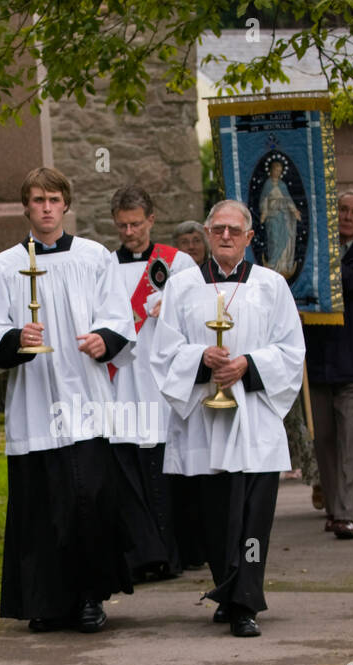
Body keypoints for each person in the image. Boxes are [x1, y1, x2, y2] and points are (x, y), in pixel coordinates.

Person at [0, 167, 135, 634]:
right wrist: (18, 337)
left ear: (66, 205)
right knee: (41, 507)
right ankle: (46, 600)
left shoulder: (94, 257)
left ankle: (88, 599)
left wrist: (104, 339)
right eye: (37, 199)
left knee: (88, 500)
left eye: (54, 199)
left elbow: (120, 317)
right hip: (35, 403)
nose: (45, 207)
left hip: (85, 401)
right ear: (26, 205)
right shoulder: (4, 266)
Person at [152, 199, 305, 637]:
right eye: (217, 229)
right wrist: (201, 358)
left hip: (255, 419)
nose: (224, 237)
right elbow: (163, 353)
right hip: (205, 418)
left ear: (250, 238)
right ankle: (227, 587)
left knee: (254, 517)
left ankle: (245, 602)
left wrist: (247, 365)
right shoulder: (181, 286)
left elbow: (292, 351)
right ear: (205, 231)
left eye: (234, 231)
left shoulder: (272, 286)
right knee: (217, 517)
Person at [107, 184, 196, 580]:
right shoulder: (104, 266)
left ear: (152, 220)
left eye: (136, 224)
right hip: (122, 382)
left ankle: (174, 554)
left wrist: (171, 307)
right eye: (123, 225)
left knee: (165, 469)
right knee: (128, 470)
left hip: (162, 383)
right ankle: (141, 554)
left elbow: (202, 316)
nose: (129, 233)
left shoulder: (177, 264)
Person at [304, 190, 353, 539]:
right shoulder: (314, 249)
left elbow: (347, 283)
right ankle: (334, 507)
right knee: (324, 439)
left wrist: (319, 270)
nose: (347, 216)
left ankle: (346, 513)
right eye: (341, 210)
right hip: (319, 360)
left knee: (350, 437)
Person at [259, 160, 302, 278]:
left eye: (279, 171)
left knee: (284, 239)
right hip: (272, 217)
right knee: (274, 240)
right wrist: (264, 212)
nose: (277, 173)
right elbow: (264, 200)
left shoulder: (282, 185)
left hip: (283, 217)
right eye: (275, 170)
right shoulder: (267, 184)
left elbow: (288, 200)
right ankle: (273, 265)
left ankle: (282, 266)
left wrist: (294, 211)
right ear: (271, 170)